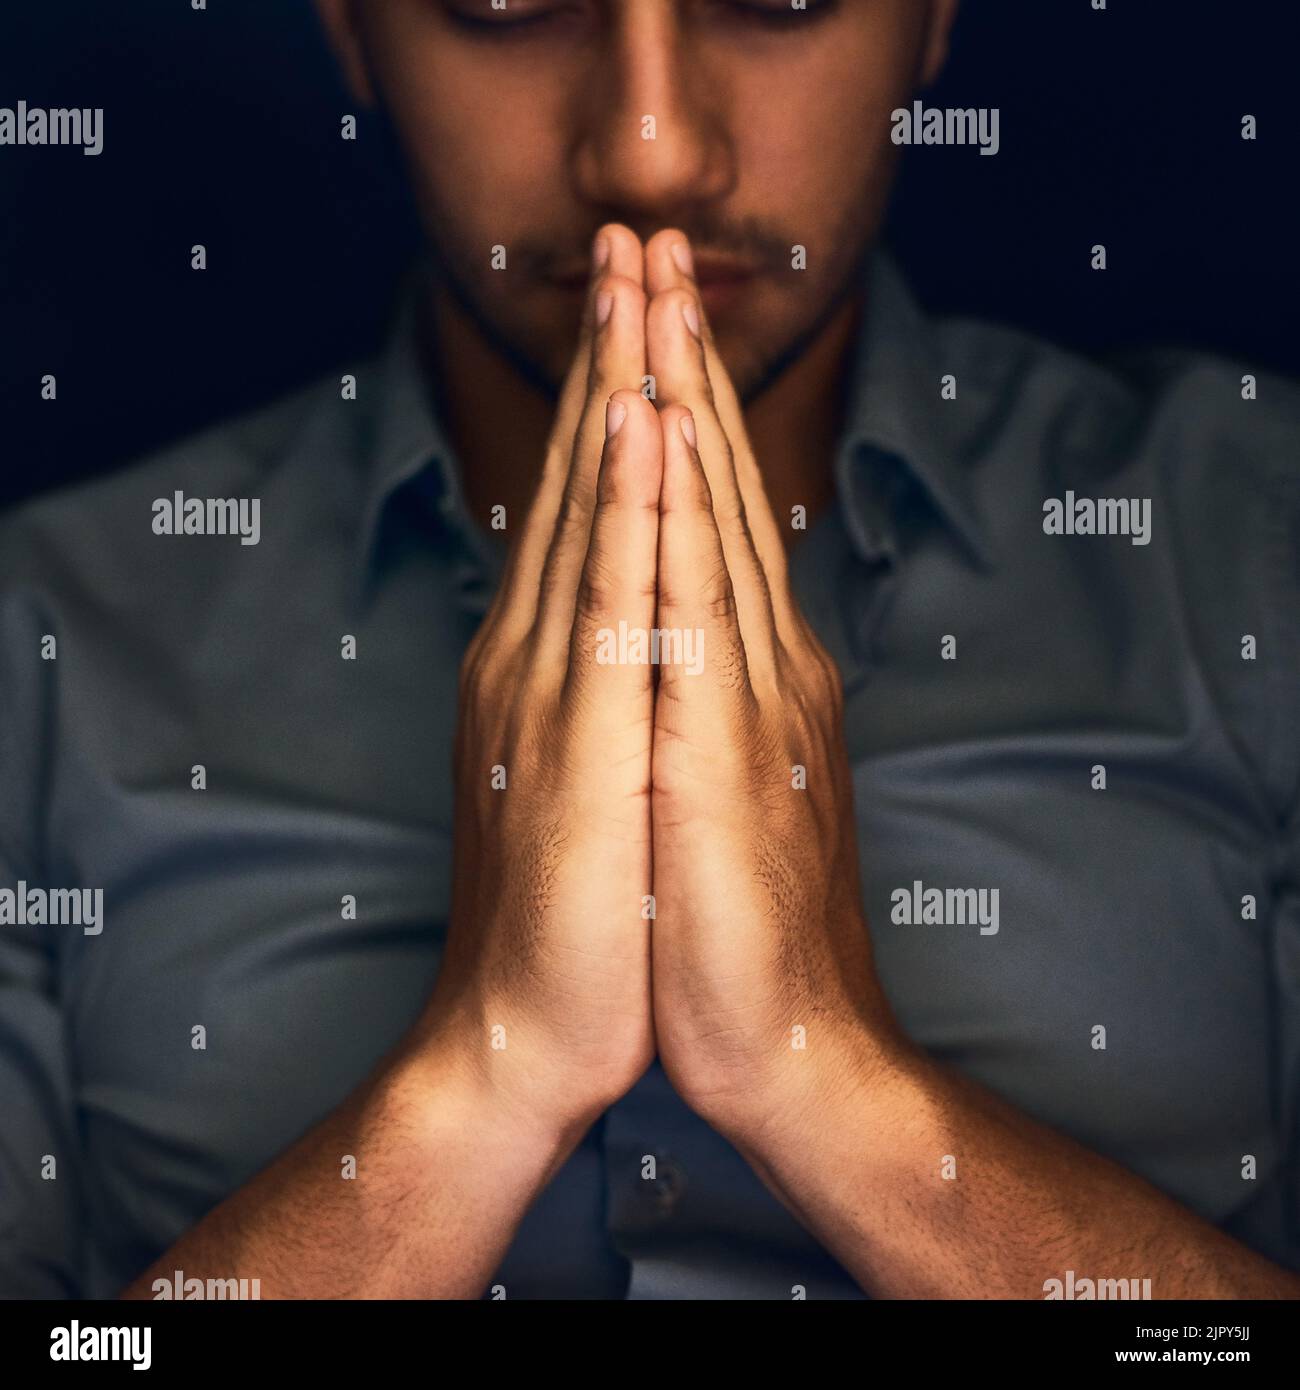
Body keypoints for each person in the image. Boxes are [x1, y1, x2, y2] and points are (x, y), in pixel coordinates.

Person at [1, 0, 1297, 1300]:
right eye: (508, 3)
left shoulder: (1252, 539)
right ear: (348, 25)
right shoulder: (44, 637)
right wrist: (475, 1094)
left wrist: (843, 1093)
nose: (650, 151)